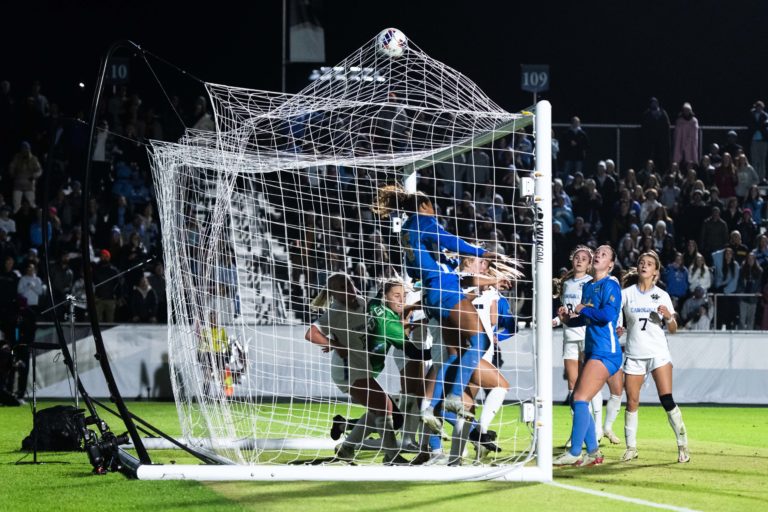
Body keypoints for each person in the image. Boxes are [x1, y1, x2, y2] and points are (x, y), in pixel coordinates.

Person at [373, 185, 511, 425]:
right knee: (481, 341)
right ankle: (455, 396)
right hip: (445, 289)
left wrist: (440, 262)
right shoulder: (423, 221)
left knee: (454, 353)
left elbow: (413, 270)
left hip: (430, 296)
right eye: (432, 206)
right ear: (424, 205)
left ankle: (430, 409)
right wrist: (481, 253)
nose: (434, 211)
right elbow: (450, 239)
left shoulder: (405, 231)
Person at [305, 273, 404, 464]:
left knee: (378, 410)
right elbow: (311, 334)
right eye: (341, 288)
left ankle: (347, 448)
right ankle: (392, 456)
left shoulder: (360, 302)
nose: (348, 290)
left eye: (349, 284)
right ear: (333, 293)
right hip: (346, 369)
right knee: (385, 407)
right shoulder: (335, 312)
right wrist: (334, 344)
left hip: (361, 365)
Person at [553, 245, 622, 466]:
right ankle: (593, 453)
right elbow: (585, 320)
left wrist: (582, 309)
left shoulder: (611, 285)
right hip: (593, 350)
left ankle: (575, 452)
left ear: (610, 264)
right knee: (577, 400)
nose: (598, 255)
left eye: (604, 254)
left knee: (580, 398)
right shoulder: (589, 286)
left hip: (607, 351)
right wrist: (568, 319)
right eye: (597, 253)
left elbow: (607, 315)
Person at [618, 252, 689, 463]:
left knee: (666, 399)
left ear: (655, 271)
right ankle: (631, 448)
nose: (644, 265)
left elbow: (673, 329)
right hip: (634, 354)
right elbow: (616, 318)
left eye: (649, 264)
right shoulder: (626, 294)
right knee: (632, 402)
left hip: (658, 353)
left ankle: (682, 445)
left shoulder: (662, 295)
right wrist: (617, 328)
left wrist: (668, 317)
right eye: (641, 262)